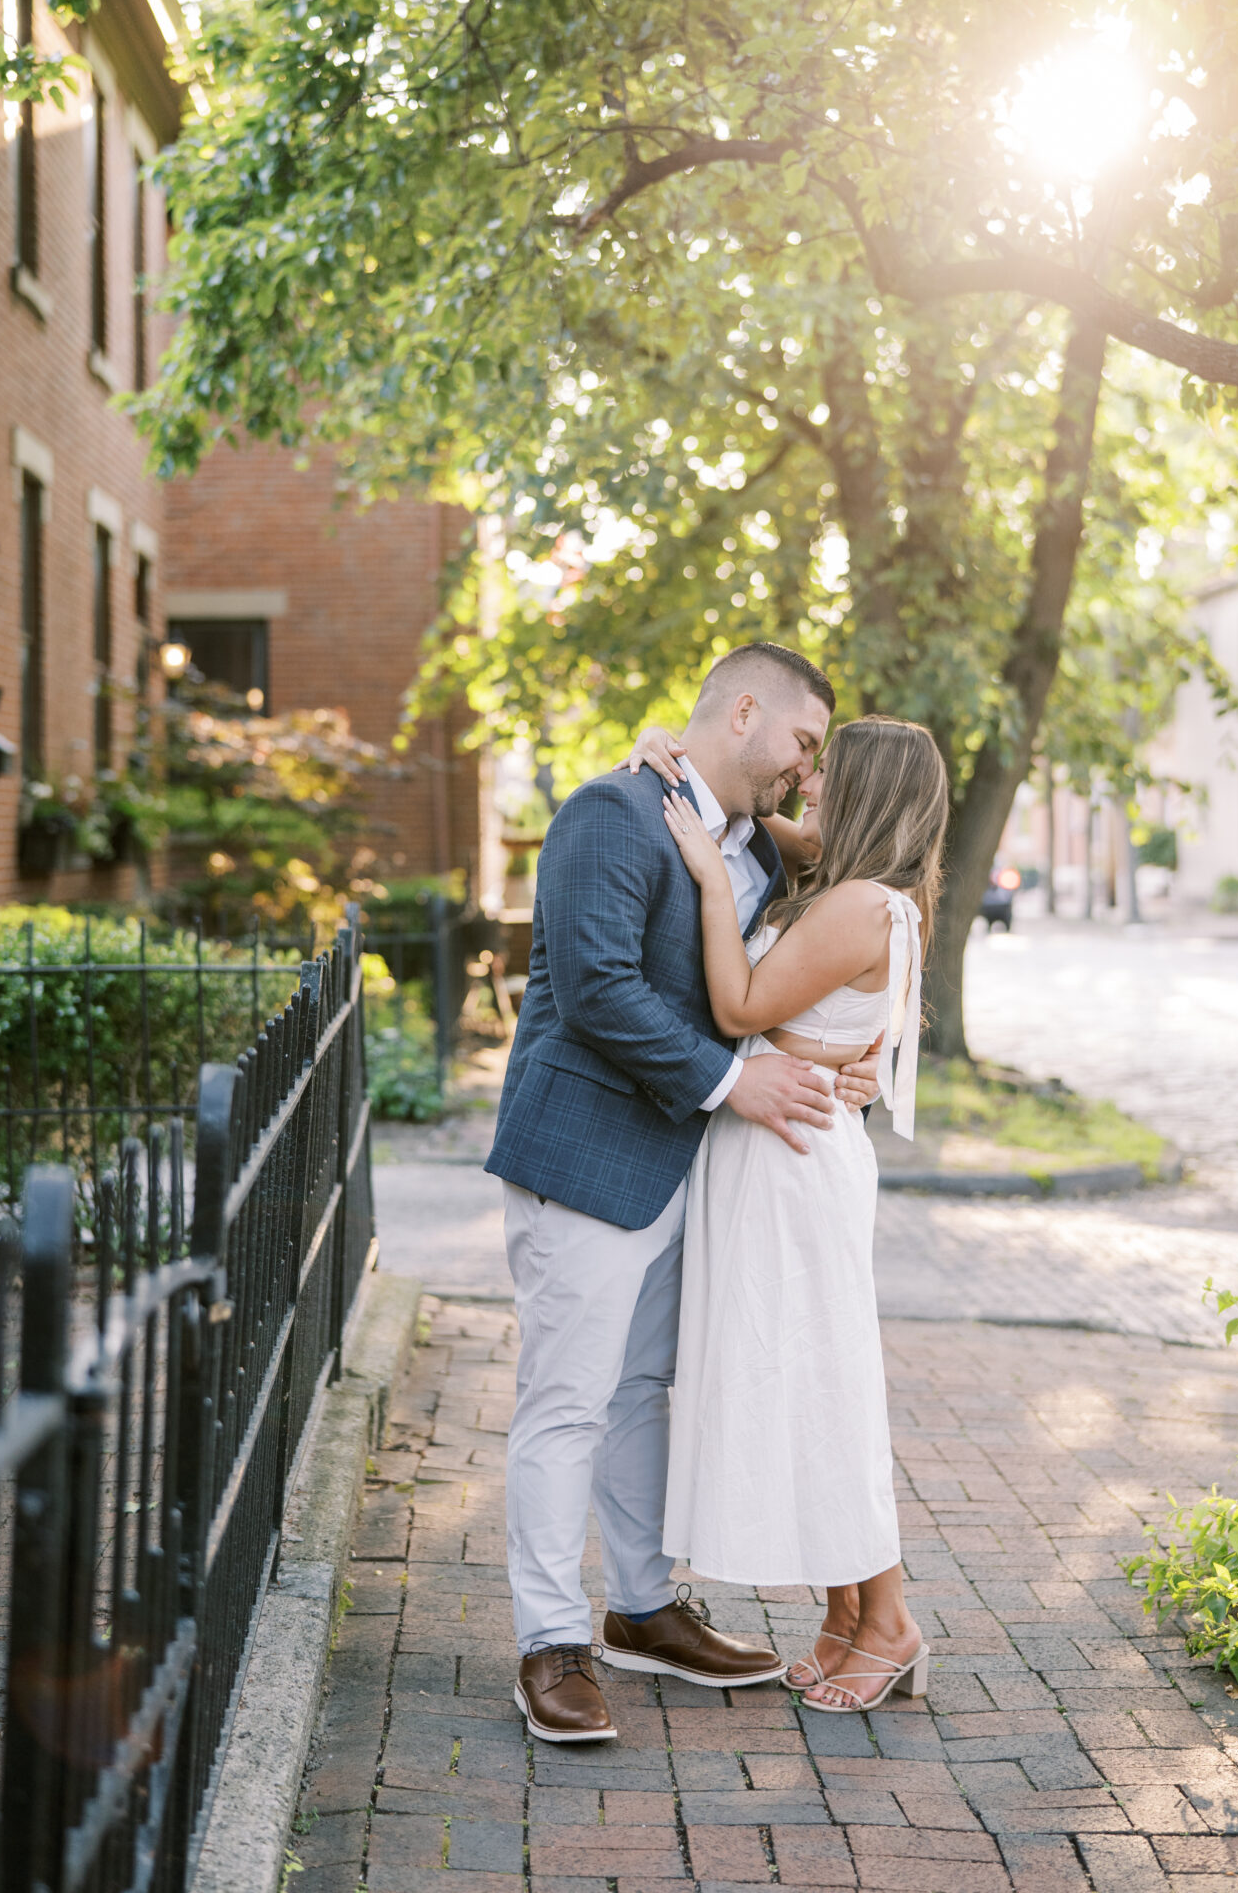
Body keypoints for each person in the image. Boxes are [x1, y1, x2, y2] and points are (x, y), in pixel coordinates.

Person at [486, 642, 882, 1744]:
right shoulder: (609, 812)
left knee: (643, 1390)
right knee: (566, 1400)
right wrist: (735, 1080)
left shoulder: (752, 839)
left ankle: (644, 1607)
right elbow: (600, 988)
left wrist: (839, 1057)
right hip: (585, 1154)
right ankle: (549, 1640)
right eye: (803, 742)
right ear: (744, 709)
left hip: (681, 1165)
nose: (807, 771)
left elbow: (817, 941)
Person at [656, 715, 948, 1712]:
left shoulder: (861, 903)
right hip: (780, 1149)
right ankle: (843, 1613)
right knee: (800, 1380)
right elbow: (754, 810)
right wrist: (677, 753)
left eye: (831, 768)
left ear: (867, 789)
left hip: (792, 1160)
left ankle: (892, 1621)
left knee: (828, 1391)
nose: (808, 778)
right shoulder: (869, 888)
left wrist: (703, 873)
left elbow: (737, 1007)